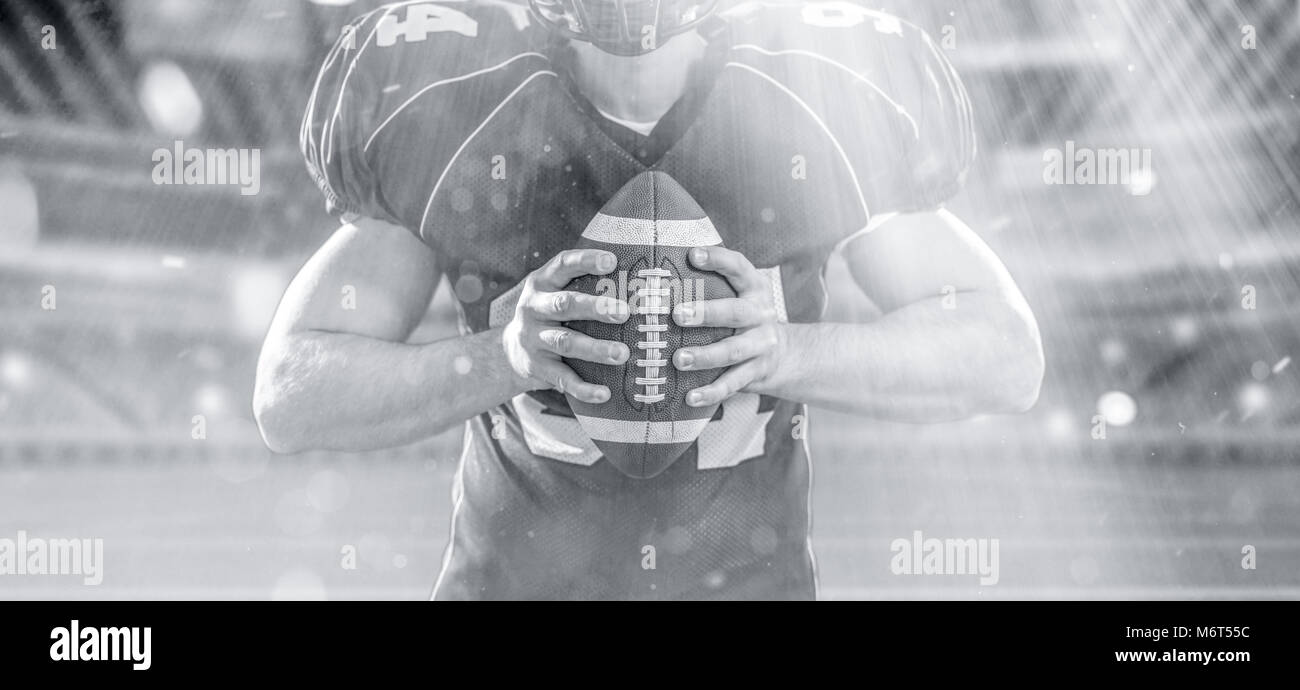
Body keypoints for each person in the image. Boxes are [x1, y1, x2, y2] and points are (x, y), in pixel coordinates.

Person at [254, 0, 1044, 600]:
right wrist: (501, 359)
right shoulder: (460, 105)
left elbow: (1006, 355)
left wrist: (786, 350)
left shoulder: (813, 94)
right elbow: (289, 393)